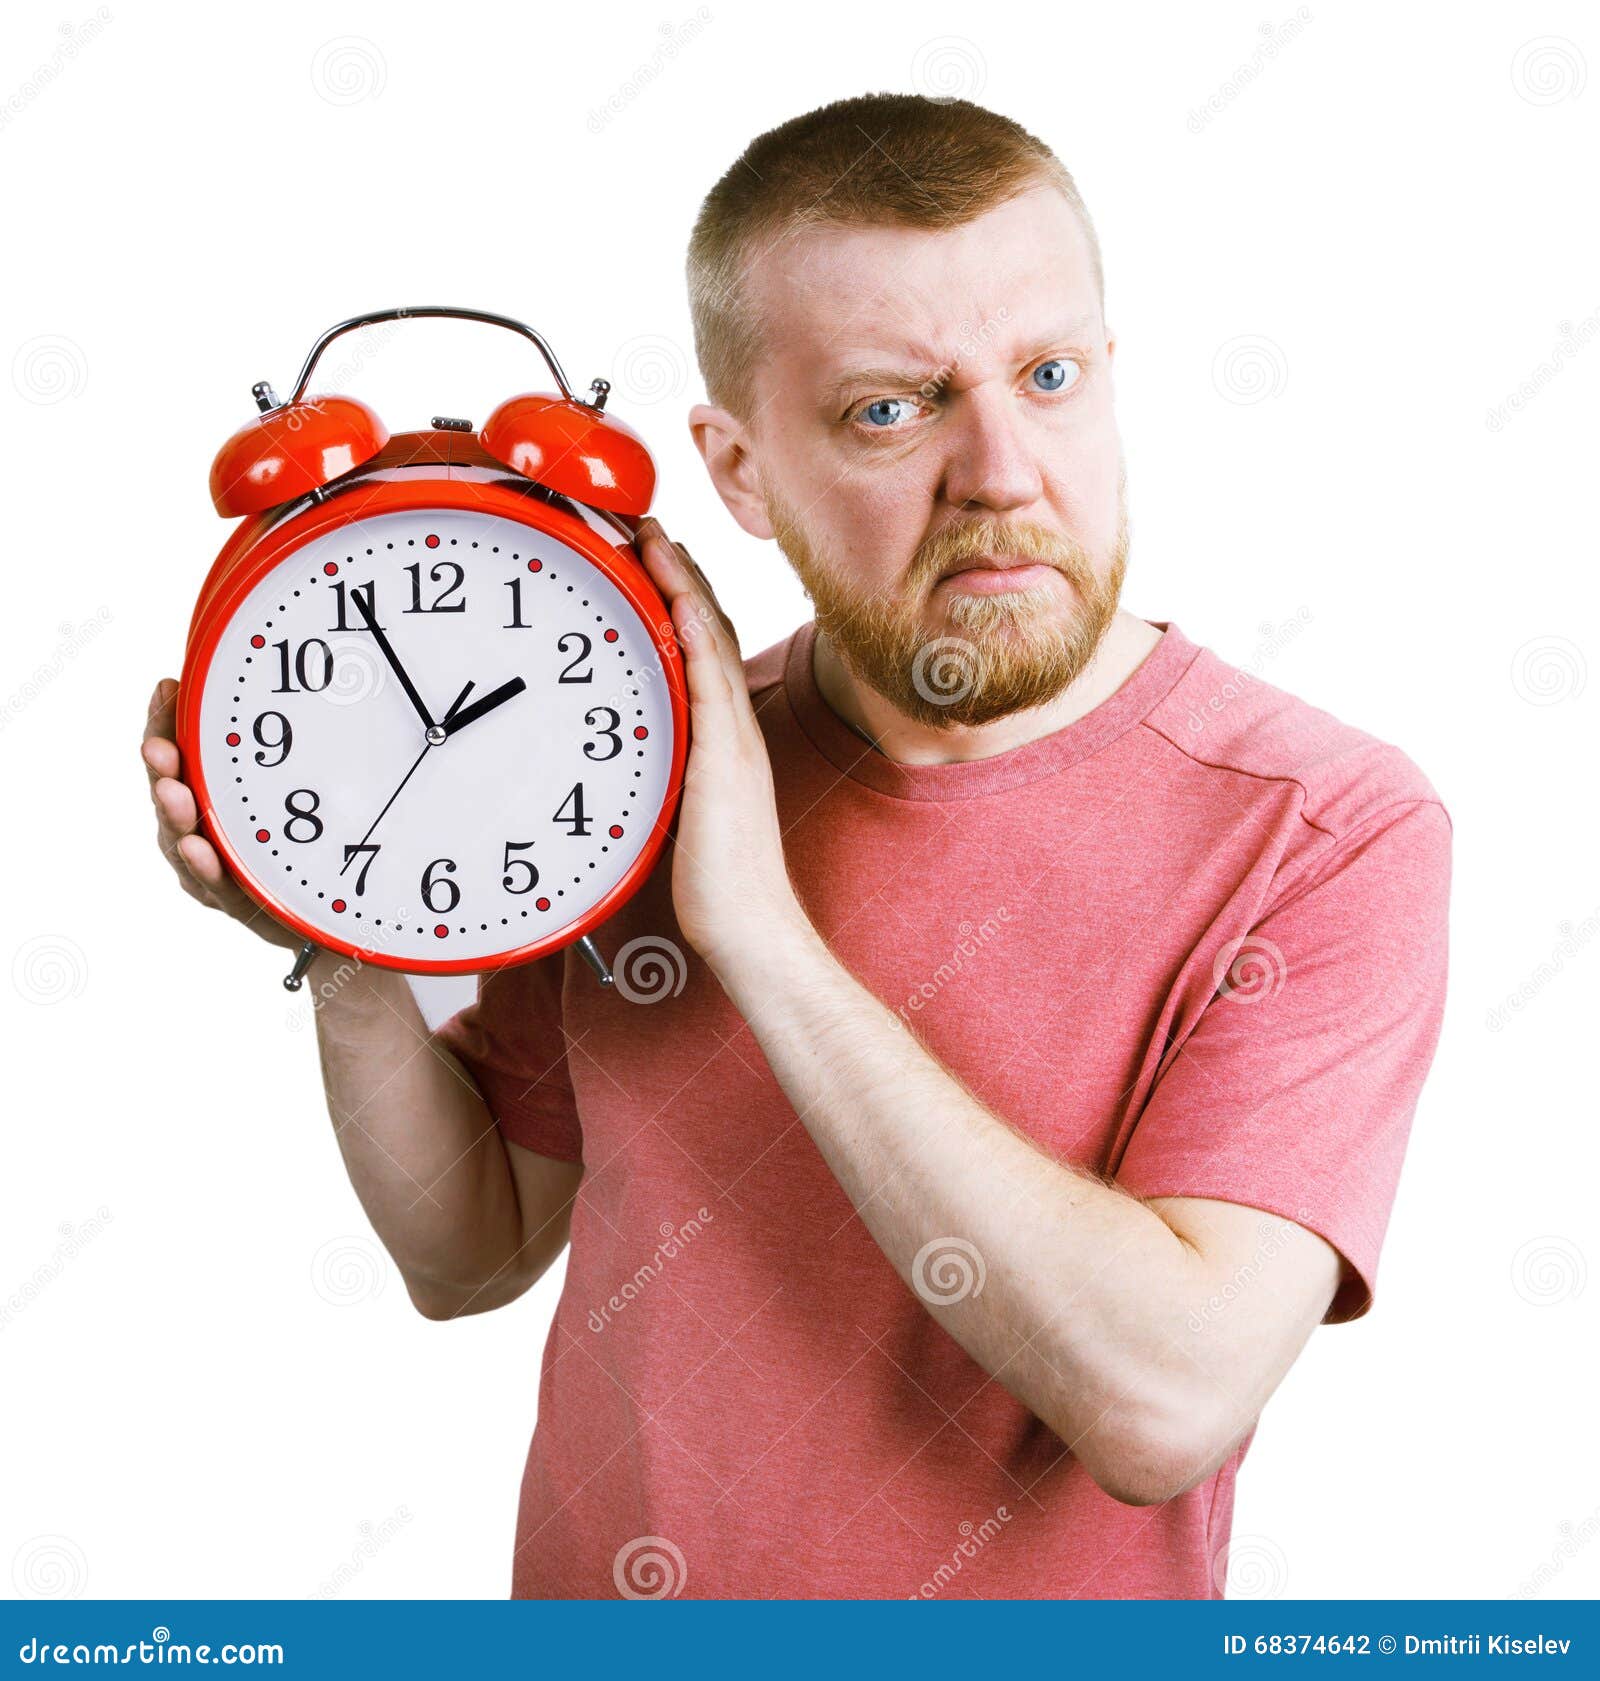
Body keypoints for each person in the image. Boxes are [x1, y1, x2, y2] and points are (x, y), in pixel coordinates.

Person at [141, 92, 1452, 1600]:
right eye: (890, 407)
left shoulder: (1326, 828)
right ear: (739, 470)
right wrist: (338, 941)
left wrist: (758, 931)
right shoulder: (629, 760)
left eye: (1048, 374)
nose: (1006, 469)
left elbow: (1161, 1405)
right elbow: (468, 1251)